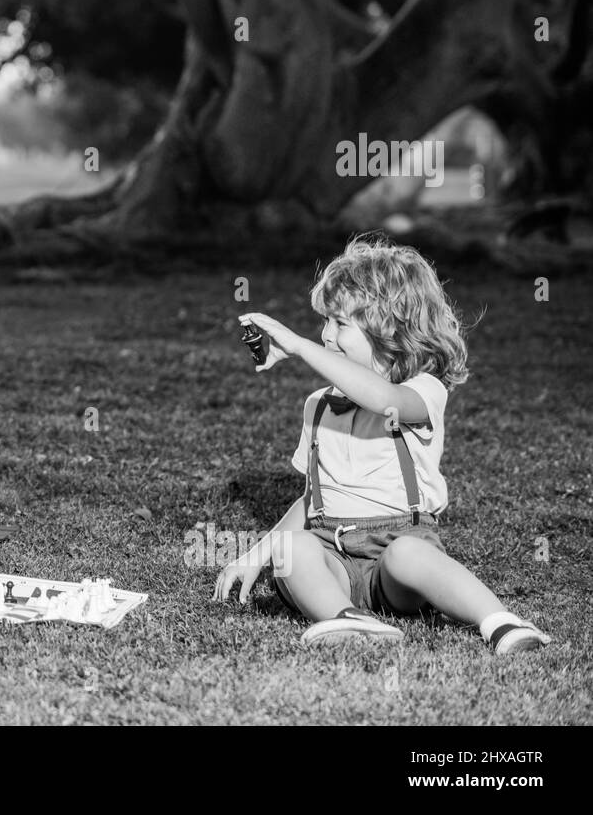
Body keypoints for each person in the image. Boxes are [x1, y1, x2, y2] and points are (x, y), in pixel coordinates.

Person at [213, 236, 551, 654]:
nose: (325, 335)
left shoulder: (423, 391)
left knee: (409, 554)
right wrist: (259, 551)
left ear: (388, 330)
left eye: (339, 324)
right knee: (291, 550)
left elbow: (385, 400)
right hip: (330, 551)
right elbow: (312, 497)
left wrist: (299, 346)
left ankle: (502, 623)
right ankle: (347, 618)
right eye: (325, 322)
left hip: (396, 553)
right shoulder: (319, 405)